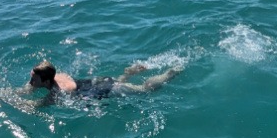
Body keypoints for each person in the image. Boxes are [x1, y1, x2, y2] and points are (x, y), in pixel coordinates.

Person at [25, 60, 179, 104]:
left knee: (145, 89)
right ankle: (128, 73)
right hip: (96, 81)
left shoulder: (58, 93)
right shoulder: (56, 75)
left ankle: (170, 73)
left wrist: (7, 101)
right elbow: (31, 87)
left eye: (33, 78)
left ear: (45, 81)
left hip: (106, 89)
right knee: (117, 81)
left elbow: (34, 106)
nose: (30, 81)